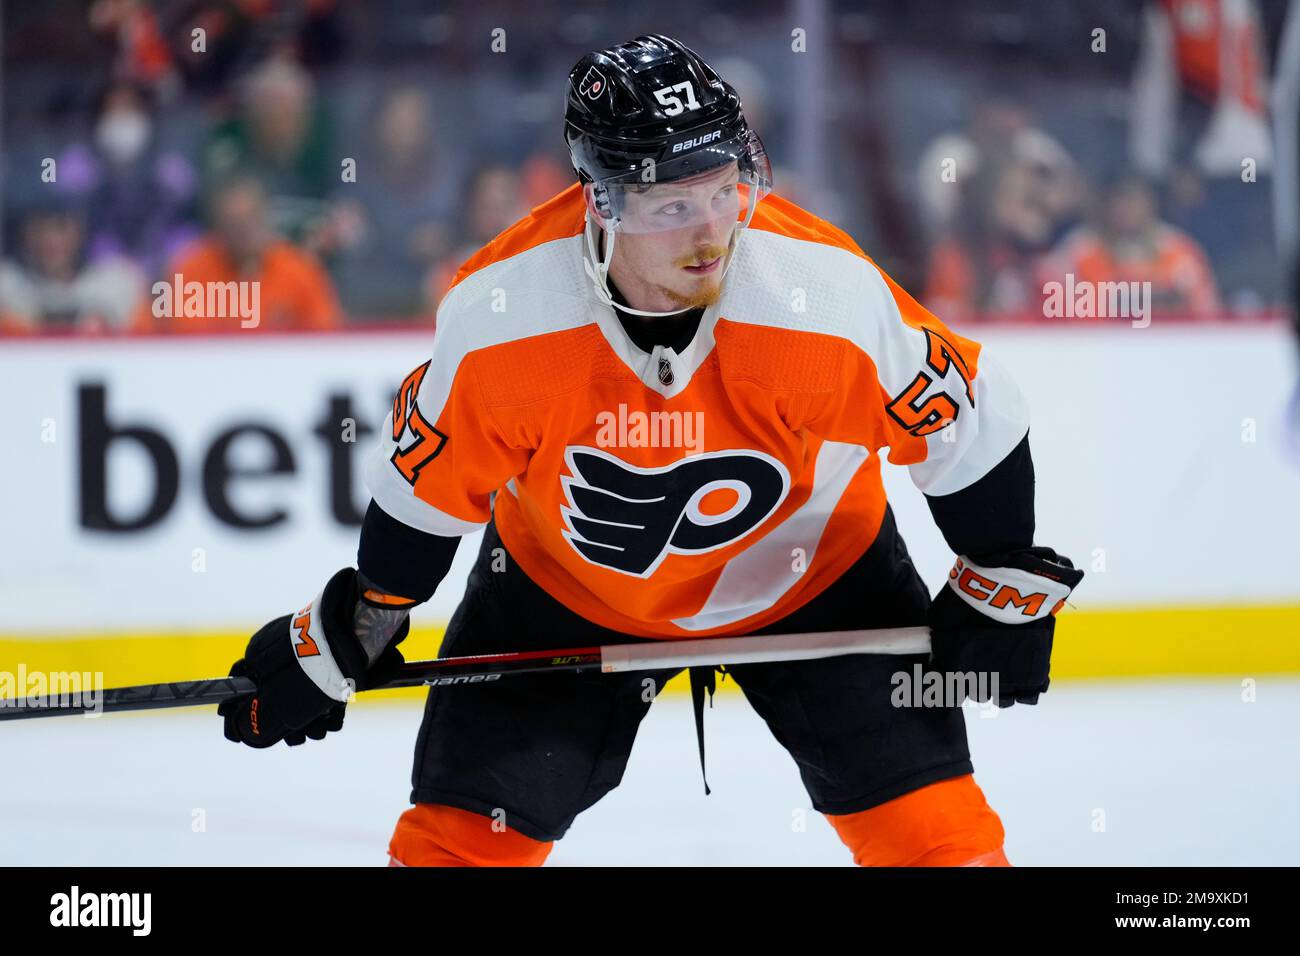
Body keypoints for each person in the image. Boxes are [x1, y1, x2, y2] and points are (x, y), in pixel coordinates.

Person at [217, 35, 1083, 867]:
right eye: (672, 206)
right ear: (601, 200)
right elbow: (424, 502)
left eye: (723, 189)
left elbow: (976, 423)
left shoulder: (821, 295)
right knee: (455, 848)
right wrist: (351, 631)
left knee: (944, 846)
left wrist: (1003, 583)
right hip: (561, 591)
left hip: (820, 576)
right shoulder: (501, 319)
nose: (711, 232)